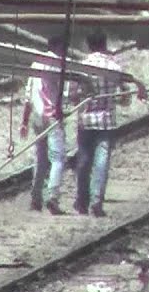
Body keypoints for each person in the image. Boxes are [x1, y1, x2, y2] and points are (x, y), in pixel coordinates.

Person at [72, 30, 131, 217]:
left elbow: (72, 95)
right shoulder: (114, 67)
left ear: (89, 45)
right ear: (104, 45)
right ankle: (96, 201)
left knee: (83, 160)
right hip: (106, 120)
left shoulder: (81, 67)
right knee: (102, 161)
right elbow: (126, 97)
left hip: (85, 120)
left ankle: (81, 201)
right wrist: (115, 100)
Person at [21, 35, 71, 214]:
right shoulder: (60, 64)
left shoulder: (36, 64)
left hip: (36, 116)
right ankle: (53, 197)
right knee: (58, 158)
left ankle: (35, 198)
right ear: (59, 47)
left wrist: (24, 122)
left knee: (41, 158)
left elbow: (28, 96)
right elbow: (66, 93)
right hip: (52, 116)